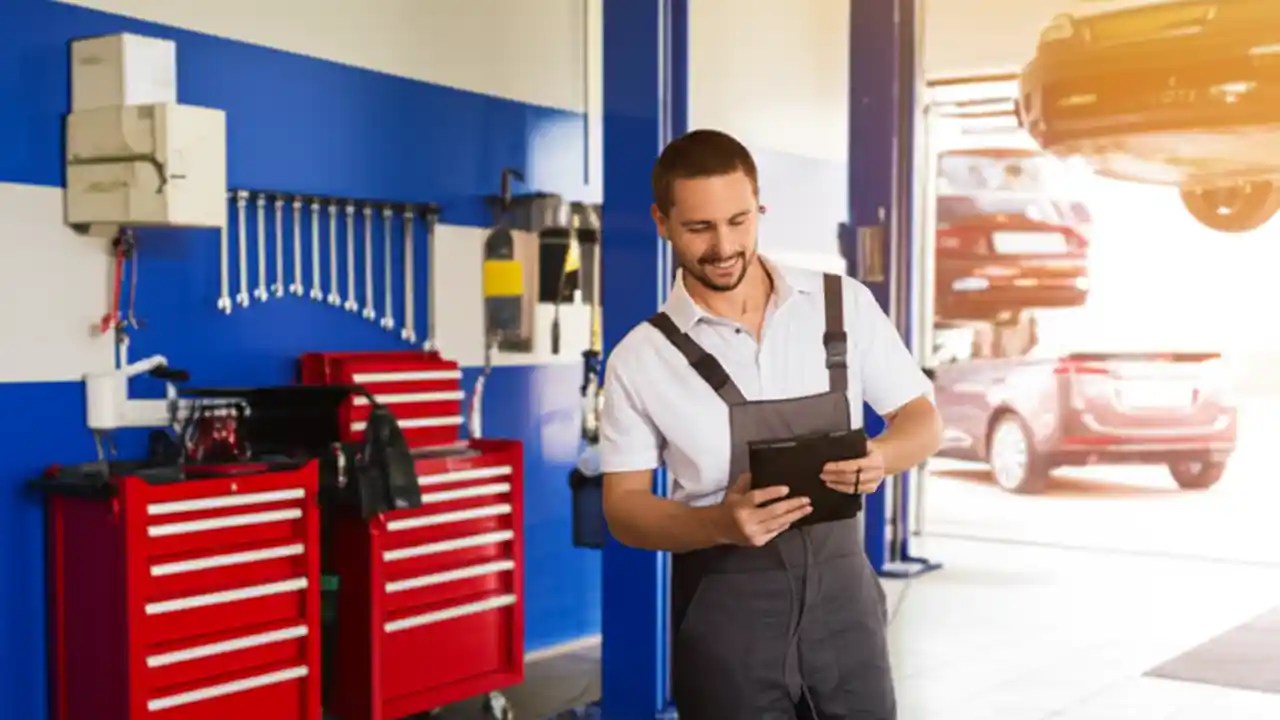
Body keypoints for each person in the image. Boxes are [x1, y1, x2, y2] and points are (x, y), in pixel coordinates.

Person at [597, 129, 942, 720]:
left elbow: (922, 421)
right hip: (727, 629)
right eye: (699, 228)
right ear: (662, 222)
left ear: (760, 207)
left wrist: (882, 457)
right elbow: (623, 507)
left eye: (739, 221)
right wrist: (717, 523)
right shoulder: (641, 358)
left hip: (846, 618)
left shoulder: (841, 306)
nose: (724, 246)